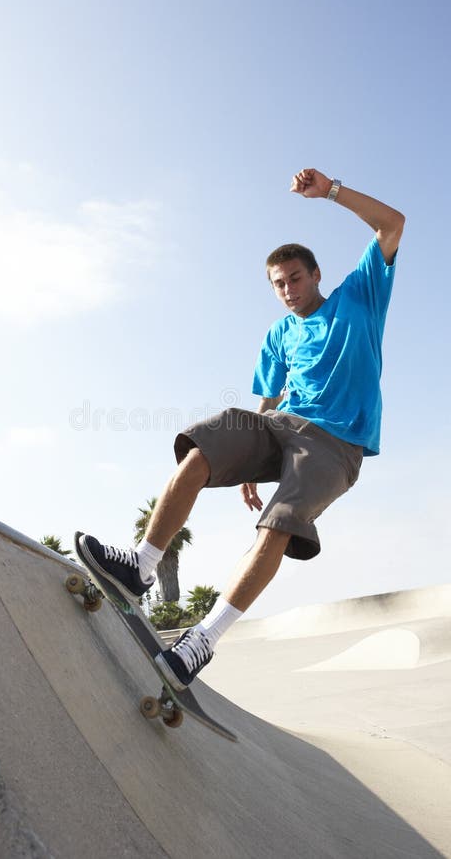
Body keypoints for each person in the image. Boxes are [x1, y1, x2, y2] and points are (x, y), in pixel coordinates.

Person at [76, 167, 405, 691]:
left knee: (279, 523)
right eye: (279, 284)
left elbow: (392, 224)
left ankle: (205, 637)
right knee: (204, 444)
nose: (288, 290)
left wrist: (332, 193)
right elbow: (269, 396)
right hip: (279, 425)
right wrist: (248, 457)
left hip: (337, 445)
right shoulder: (278, 334)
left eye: (296, 278)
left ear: (316, 275)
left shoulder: (359, 297)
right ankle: (141, 565)